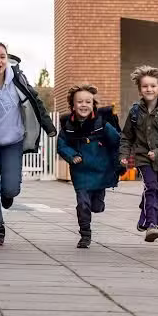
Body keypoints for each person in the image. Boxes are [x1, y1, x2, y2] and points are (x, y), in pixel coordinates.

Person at [0, 41, 56, 246]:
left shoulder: (18, 80)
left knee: (10, 189)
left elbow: (36, 102)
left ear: (7, 58)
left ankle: (8, 196)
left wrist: (48, 126)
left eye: (2, 56)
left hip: (13, 141)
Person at [119, 66, 158, 242]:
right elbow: (126, 137)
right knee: (152, 187)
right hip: (143, 158)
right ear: (140, 89)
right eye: (145, 86)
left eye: (153, 86)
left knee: (156, 190)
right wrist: (123, 154)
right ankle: (153, 225)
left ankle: (143, 216)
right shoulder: (135, 111)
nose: (149, 89)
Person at [57, 84, 121, 249]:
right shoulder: (68, 126)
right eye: (79, 102)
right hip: (81, 172)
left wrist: (122, 158)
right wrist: (72, 156)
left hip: (101, 170)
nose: (83, 105)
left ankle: (98, 203)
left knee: (96, 207)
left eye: (88, 102)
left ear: (93, 105)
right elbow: (62, 145)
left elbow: (117, 140)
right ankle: (85, 234)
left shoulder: (101, 123)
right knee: (83, 204)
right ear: (73, 105)